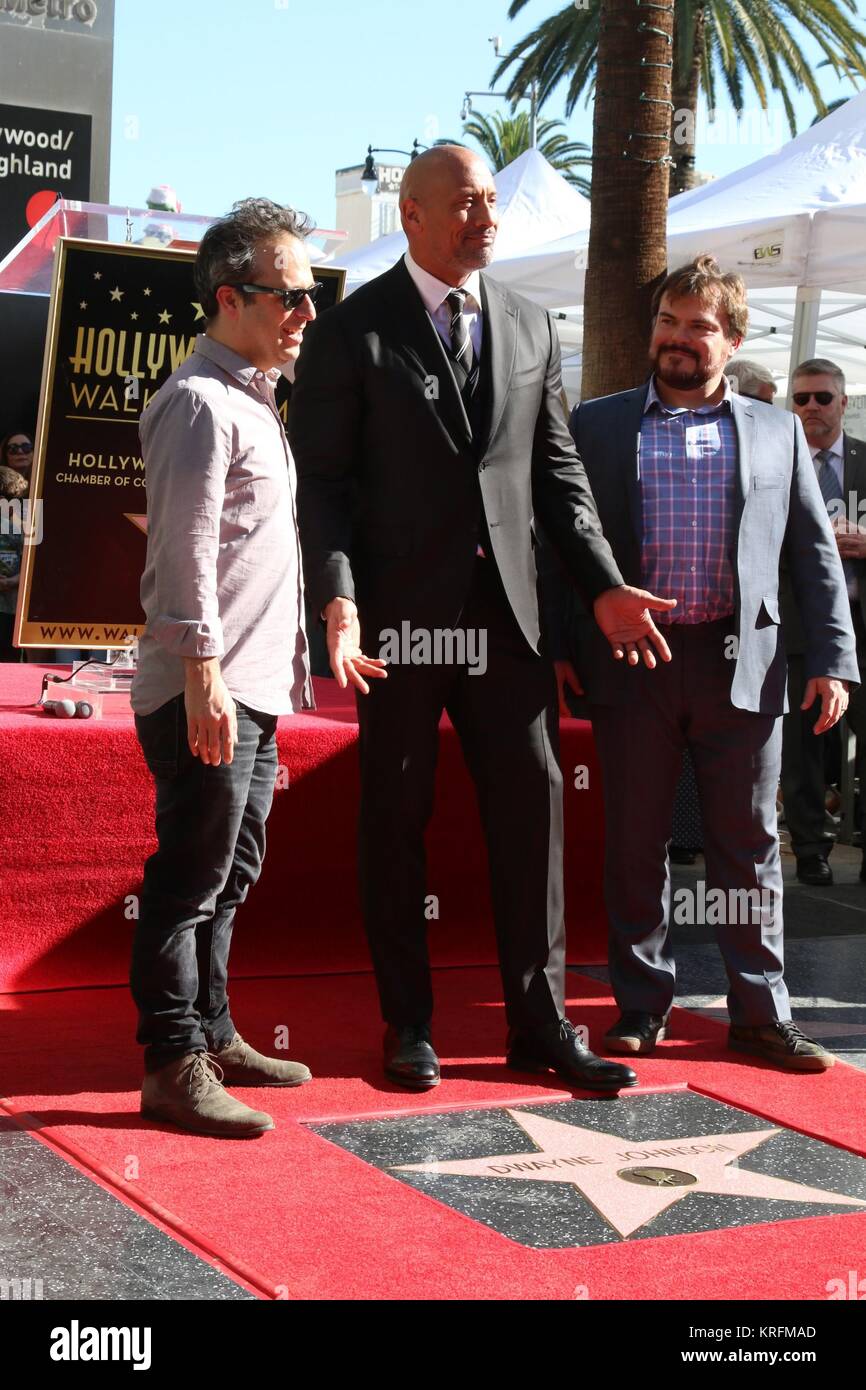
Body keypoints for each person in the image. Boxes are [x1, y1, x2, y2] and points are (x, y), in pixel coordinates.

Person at [290, 145, 674, 1094]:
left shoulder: (530, 323)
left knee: (533, 810)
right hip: (399, 625)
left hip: (510, 617)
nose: (486, 217)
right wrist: (336, 598)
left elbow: (559, 476)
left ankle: (540, 1025)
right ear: (413, 214)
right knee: (397, 813)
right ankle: (408, 1023)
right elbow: (324, 490)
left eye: (493, 201)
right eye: (465, 202)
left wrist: (603, 585)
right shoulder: (351, 332)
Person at [553, 255, 857, 1072]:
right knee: (635, 841)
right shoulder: (600, 424)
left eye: (699, 327)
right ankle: (641, 1006)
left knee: (748, 845)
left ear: (732, 338)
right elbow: (565, 549)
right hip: (634, 663)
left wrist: (832, 658)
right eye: (668, 322)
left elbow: (812, 554)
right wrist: (570, 644)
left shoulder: (774, 427)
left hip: (742, 661)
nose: (679, 339)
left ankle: (759, 1014)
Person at [131, 198, 317, 1137]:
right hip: (206, 688)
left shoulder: (253, 401)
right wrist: (203, 673)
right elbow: (185, 554)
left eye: (309, 296)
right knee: (189, 876)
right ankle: (172, 1064)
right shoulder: (200, 404)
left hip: (250, 688)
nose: (306, 314)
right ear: (228, 296)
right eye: (290, 296)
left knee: (231, 871)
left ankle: (212, 1029)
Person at [783, 358, 866, 885]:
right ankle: (810, 848)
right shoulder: (775, 461)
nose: (811, 407)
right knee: (802, 745)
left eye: (822, 398)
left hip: (862, 623)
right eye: (801, 399)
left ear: (843, 402)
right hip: (801, 629)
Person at [0, 465, 27, 661]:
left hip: (13, 608)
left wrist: (12, 581)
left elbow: (34, 565)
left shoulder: (30, 524)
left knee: (9, 662)